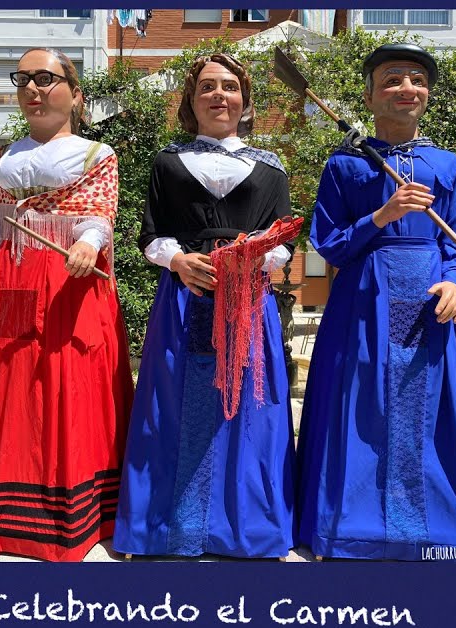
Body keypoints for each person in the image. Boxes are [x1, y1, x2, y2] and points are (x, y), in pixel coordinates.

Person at [0, 48, 132, 561]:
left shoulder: (96, 153)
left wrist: (89, 243)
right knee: (6, 382)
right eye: (24, 80)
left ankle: (71, 508)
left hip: (69, 284)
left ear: (75, 95)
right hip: (14, 280)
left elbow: (99, 216)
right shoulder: (8, 157)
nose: (33, 89)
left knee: (66, 383)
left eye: (45, 78)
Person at [295, 43, 456, 561]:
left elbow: (454, 241)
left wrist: (453, 282)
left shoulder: (446, 164)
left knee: (423, 406)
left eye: (417, 80)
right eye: (393, 79)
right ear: (370, 95)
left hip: (427, 302)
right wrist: (383, 215)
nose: (407, 88)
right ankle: (347, 530)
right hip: (362, 301)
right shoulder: (345, 165)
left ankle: (434, 536)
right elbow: (329, 244)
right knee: (360, 407)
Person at [113, 53, 295, 559]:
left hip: (249, 300)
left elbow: (284, 239)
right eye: (207, 87)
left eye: (230, 86)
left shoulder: (271, 167)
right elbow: (151, 233)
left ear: (245, 101)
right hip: (182, 299)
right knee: (171, 405)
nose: (219, 95)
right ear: (191, 102)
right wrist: (177, 261)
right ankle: (163, 529)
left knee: (250, 409)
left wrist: (251, 259)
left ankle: (244, 531)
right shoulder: (167, 162)